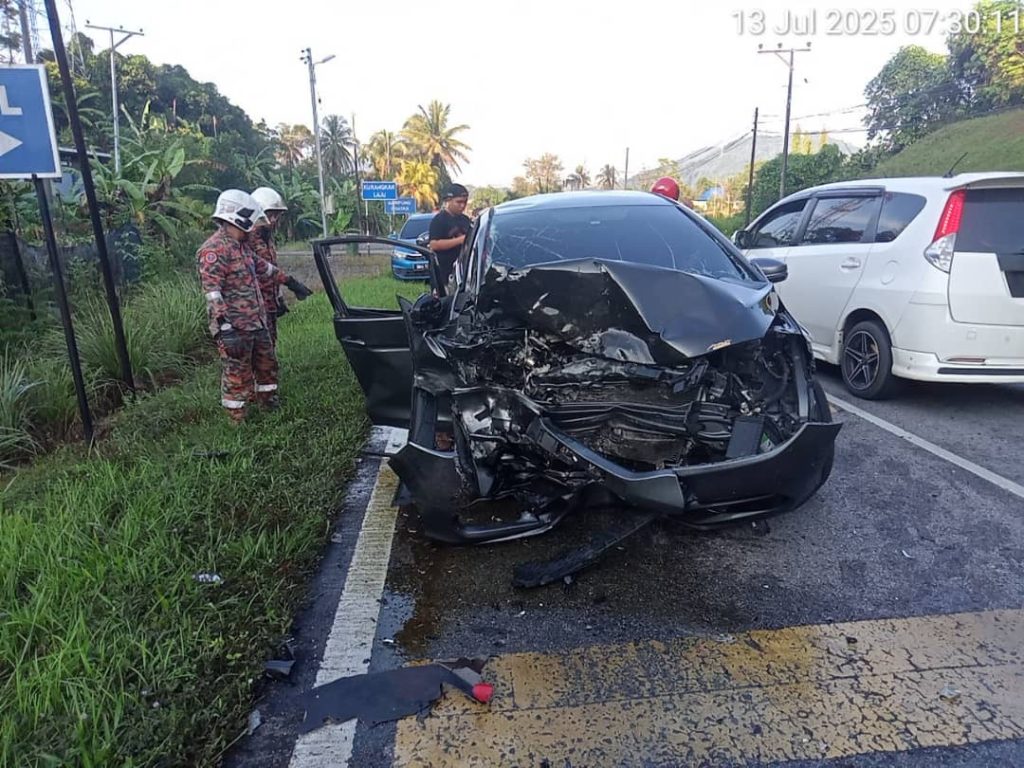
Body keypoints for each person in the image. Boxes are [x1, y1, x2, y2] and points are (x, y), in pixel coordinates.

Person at [197, 189, 311, 423]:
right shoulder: (213, 250)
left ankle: (269, 405)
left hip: (257, 321)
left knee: (267, 365)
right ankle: (237, 420)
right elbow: (212, 292)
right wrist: (224, 327)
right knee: (237, 374)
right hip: (235, 327)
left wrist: (290, 282)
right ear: (237, 217)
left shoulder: (241, 246)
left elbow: (264, 268)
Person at [428, 183, 472, 287]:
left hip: (463, 273)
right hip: (444, 274)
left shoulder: (465, 220)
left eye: (465, 202)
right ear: (448, 200)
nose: (462, 206)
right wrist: (460, 240)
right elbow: (434, 245)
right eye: (459, 202)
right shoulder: (439, 220)